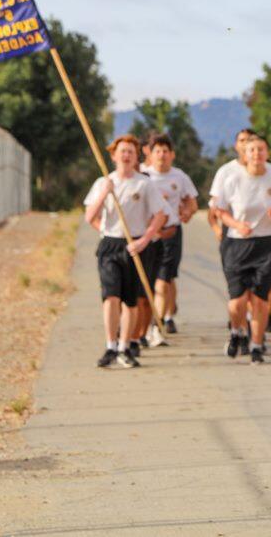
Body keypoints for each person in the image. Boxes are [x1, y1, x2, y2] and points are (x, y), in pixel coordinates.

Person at [83, 134, 168, 369]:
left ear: (136, 156)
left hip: (135, 245)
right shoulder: (103, 182)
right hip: (110, 245)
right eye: (122, 151)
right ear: (114, 155)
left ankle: (124, 346)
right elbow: (90, 216)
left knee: (130, 300)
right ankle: (110, 345)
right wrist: (105, 194)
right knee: (111, 296)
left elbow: (160, 215)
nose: (127, 155)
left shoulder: (144, 184)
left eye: (131, 151)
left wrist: (145, 240)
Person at [211, 132, 271, 364]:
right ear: (244, 154)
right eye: (252, 150)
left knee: (259, 298)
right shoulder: (231, 177)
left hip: (267, 243)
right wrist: (236, 224)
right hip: (237, 243)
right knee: (238, 300)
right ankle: (236, 331)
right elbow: (219, 211)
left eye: (261, 149)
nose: (257, 154)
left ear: (267, 153)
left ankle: (257, 345)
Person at [143, 134, 198, 339]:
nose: (162, 155)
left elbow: (192, 203)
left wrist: (187, 212)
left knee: (164, 279)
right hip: (147, 234)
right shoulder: (143, 176)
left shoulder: (179, 177)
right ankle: (155, 318)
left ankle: (159, 322)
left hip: (171, 232)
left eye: (165, 151)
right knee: (151, 280)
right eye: (157, 151)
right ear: (150, 154)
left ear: (172, 154)